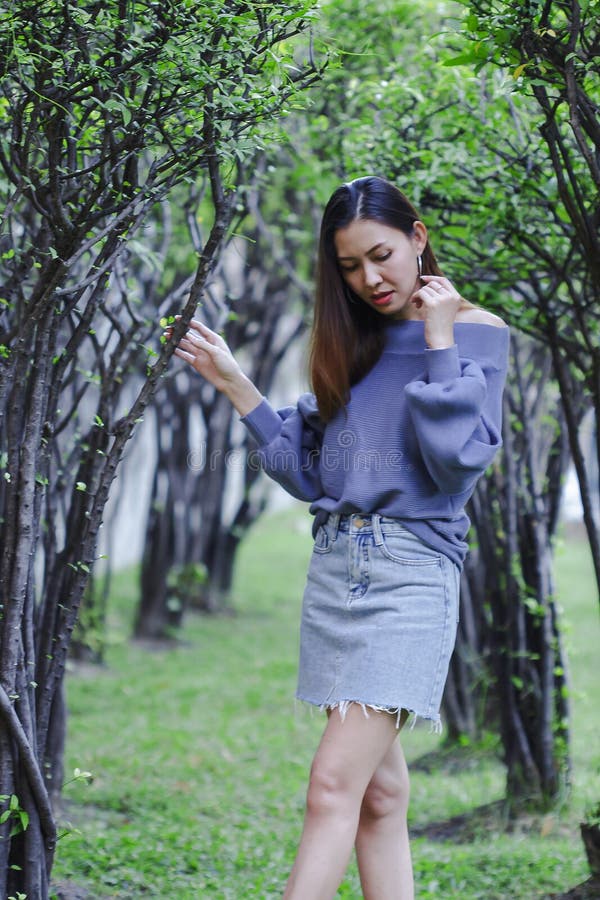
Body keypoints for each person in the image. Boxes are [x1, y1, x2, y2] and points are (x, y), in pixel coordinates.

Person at [165, 176, 509, 900]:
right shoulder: (354, 340)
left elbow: (455, 463)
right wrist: (236, 385)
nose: (370, 279)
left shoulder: (478, 332)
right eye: (349, 267)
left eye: (381, 256)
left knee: (331, 788)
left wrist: (439, 340)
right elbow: (314, 475)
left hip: (410, 574)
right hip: (334, 570)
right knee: (378, 797)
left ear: (417, 237)